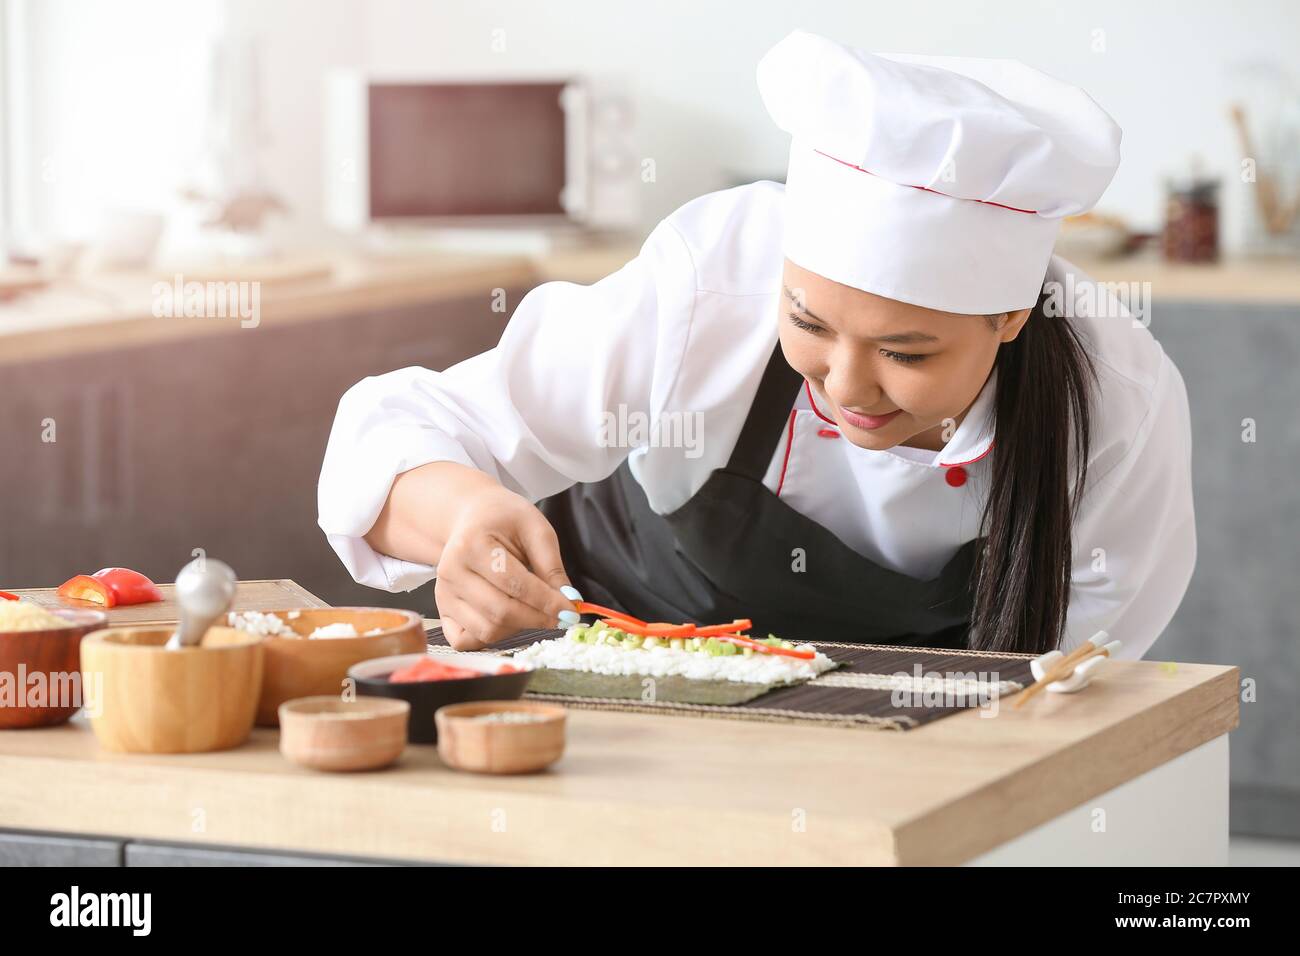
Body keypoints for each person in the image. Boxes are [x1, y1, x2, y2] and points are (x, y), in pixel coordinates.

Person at [318, 31, 1194, 657]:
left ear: (1009, 318)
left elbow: (1073, 682)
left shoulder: (1117, 400)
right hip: (615, 659)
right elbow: (398, 430)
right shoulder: (714, 284)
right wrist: (465, 521)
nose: (846, 386)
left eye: (908, 353)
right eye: (808, 325)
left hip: (915, 732)